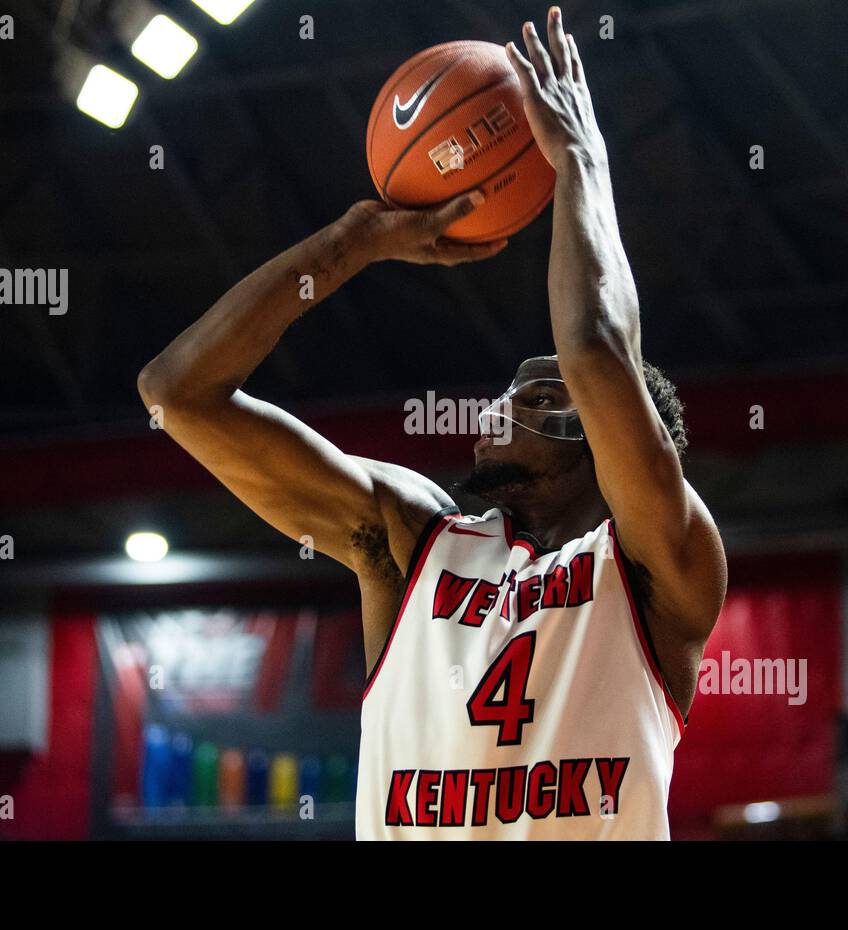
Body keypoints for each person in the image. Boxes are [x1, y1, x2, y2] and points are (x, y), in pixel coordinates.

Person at [137, 7, 726, 839]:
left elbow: (596, 352)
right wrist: (350, 246)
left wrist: (582, 163)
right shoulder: (412, 539)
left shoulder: (662, 567)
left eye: (537, 394)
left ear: (600, 434)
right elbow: (176, 392)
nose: (497, 406)